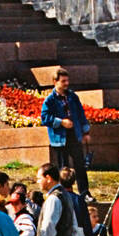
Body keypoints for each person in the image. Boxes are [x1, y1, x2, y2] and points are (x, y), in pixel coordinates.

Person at [40, 68, 91, 198]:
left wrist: (86, 132)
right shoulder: (50, 100)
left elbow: (81, 114)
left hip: (74, 135)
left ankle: (84, 192)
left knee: (80, 165)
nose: (66, 83)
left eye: (67, 80)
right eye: (63, 81)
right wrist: (61, 122)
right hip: (60, 138)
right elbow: (45, 118)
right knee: (63, 168)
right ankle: (65, 193)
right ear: (55, 82)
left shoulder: (72, 96)